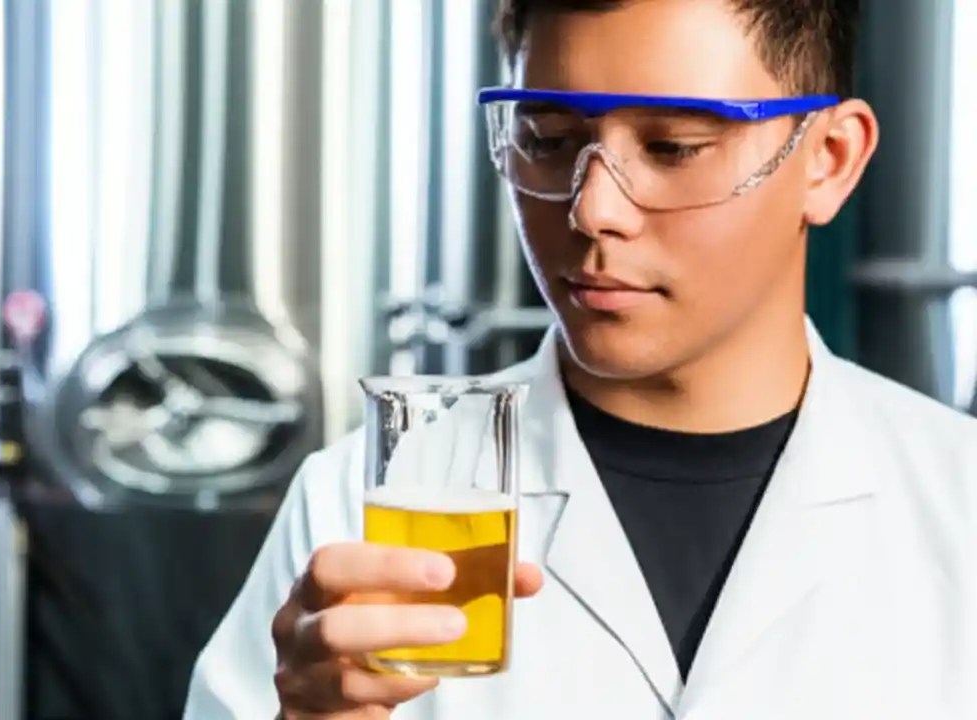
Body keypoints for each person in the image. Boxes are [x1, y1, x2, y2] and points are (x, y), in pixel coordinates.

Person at [183, 0, 977, 717]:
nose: (592, 209)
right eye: (548, 140)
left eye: (673, 147)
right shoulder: (354, 504)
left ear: (829, 158)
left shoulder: (958, 505)